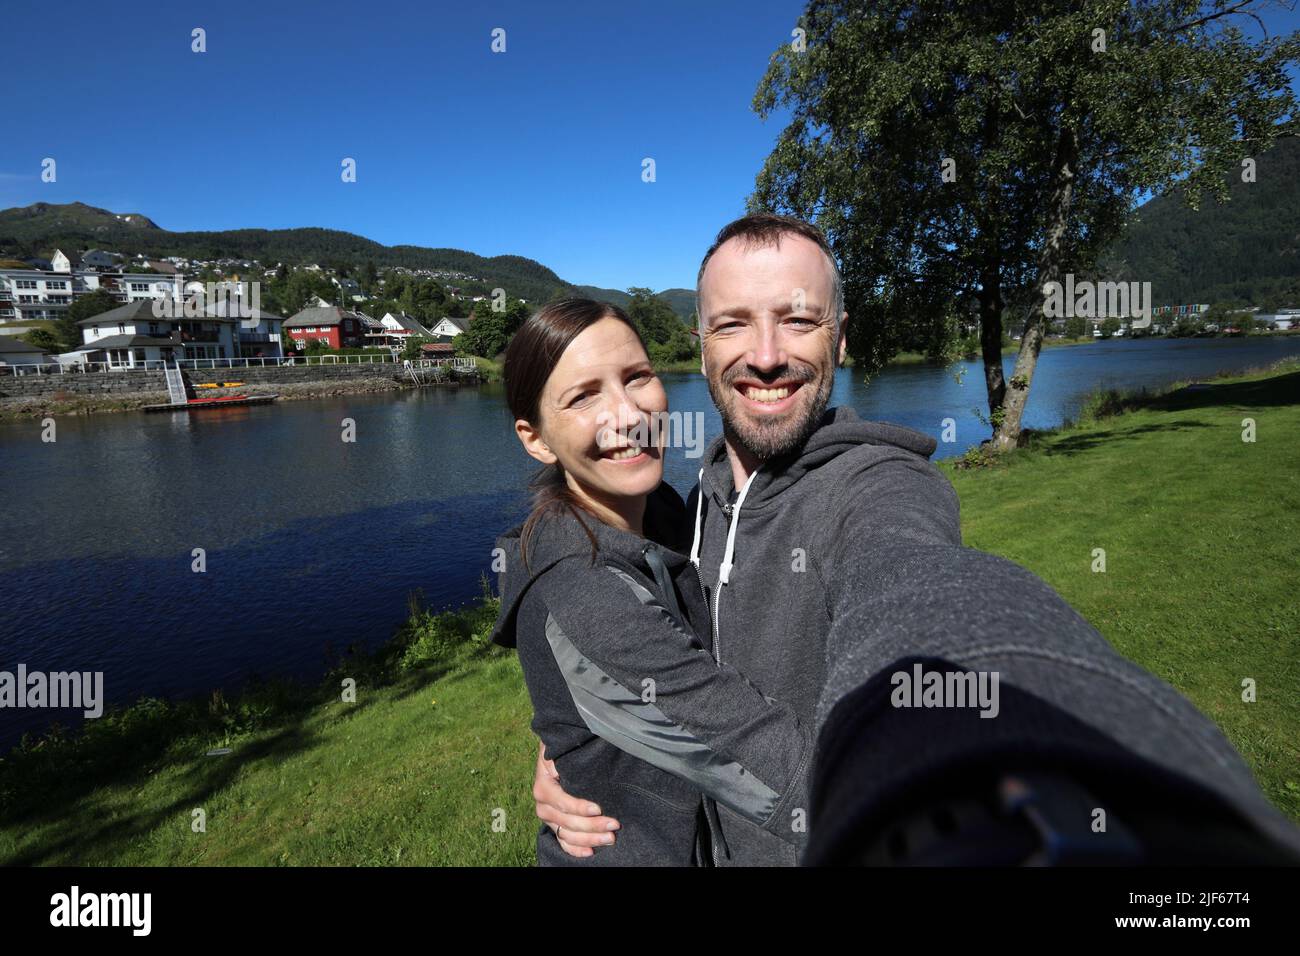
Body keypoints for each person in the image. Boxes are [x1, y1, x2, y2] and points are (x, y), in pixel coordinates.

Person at [531, 212, 1300, 866]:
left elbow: (913, 580)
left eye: (799, 319)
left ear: (840, 340)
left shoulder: (876, 486)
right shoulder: (697, 503)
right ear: (702, 344)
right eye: (734, 323)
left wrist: (1032, 766)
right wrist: (589, 747)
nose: (765, 354)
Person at [489, 298, 814, 865]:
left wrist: (563, 743)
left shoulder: (657, 506)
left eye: (637, 377)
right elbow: (761, 763)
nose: (628, 415)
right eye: (584, 396)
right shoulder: (581, 588)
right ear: (535, 437)